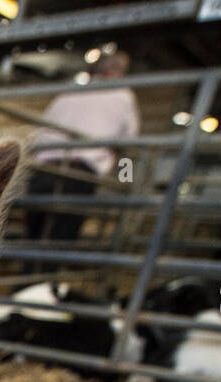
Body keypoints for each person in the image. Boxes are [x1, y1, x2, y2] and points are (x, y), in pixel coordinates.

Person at [25, 51, 139, 243]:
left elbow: (40, 130)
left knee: (34, 237)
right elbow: (129, 142)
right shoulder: (123, 95)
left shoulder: (69, 92)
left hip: (43, 171)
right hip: (78, 175)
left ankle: (29, 272)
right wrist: (123, 179)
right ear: (119, 70)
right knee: (59, 240)